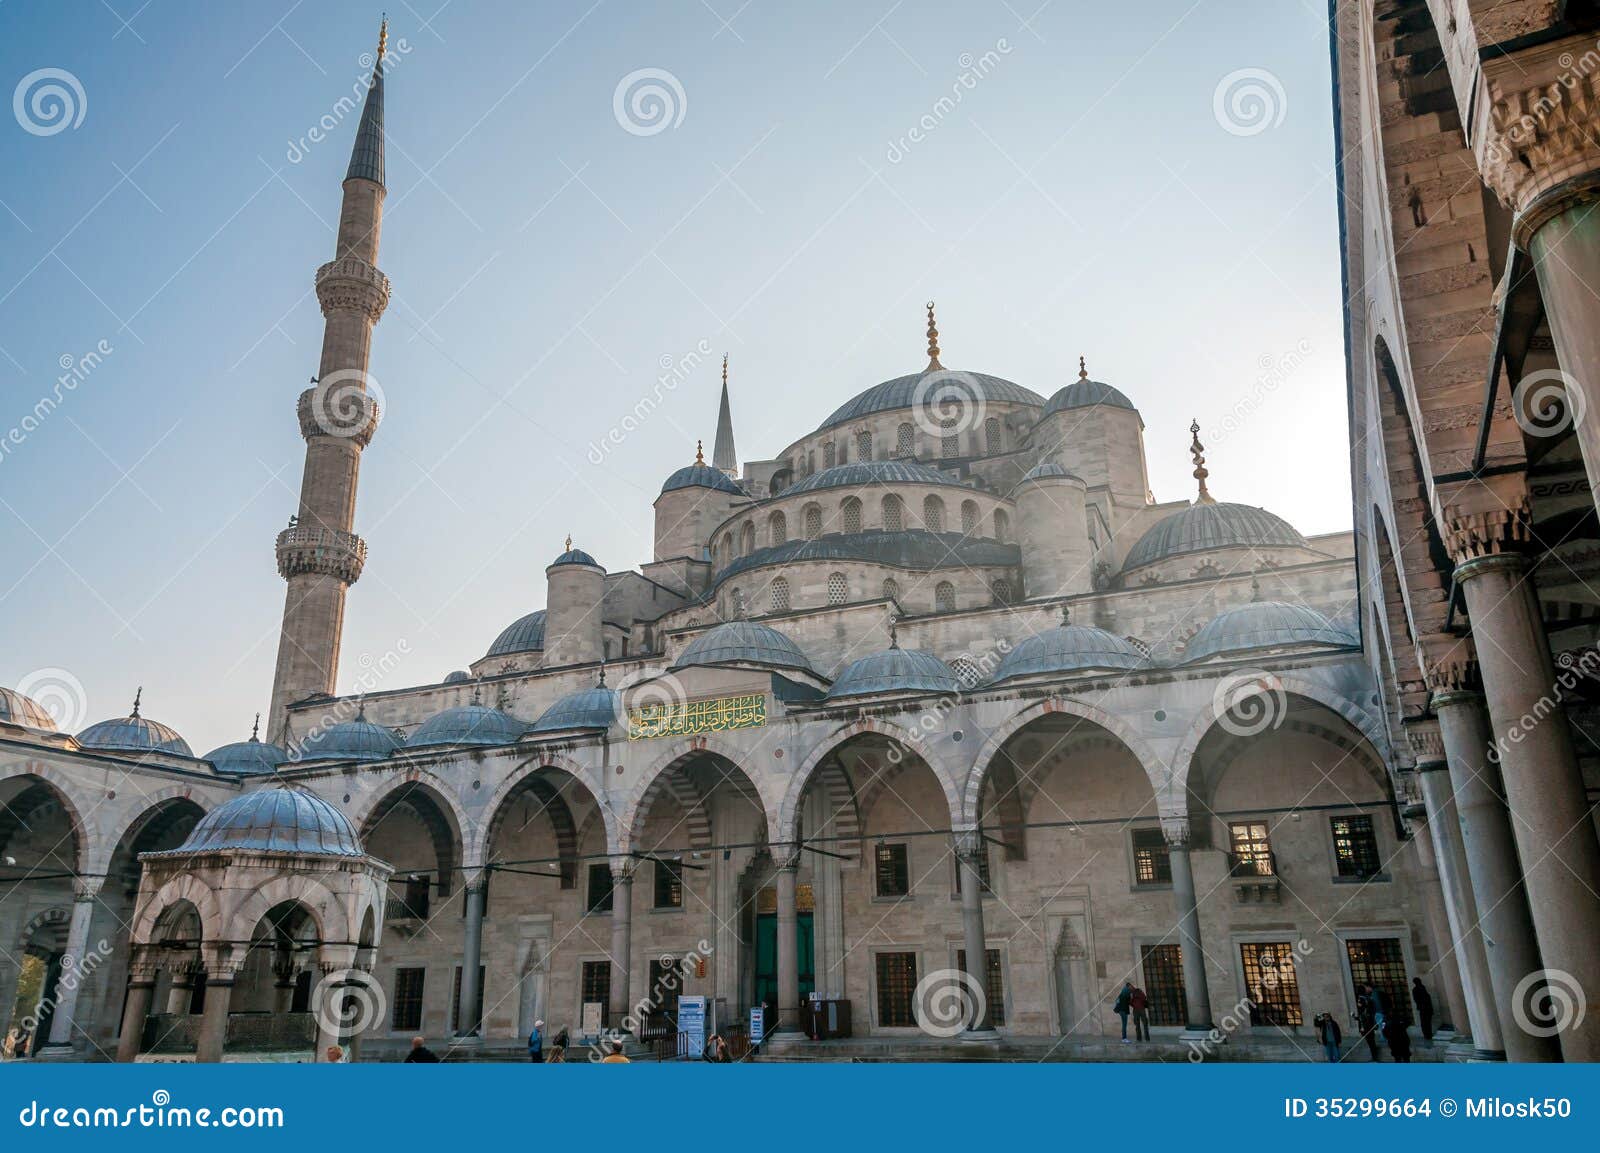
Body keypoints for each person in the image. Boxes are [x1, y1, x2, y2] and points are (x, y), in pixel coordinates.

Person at [1353, 984, 1379, 1061]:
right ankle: (1374, 1057)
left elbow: (1362, 1013)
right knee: (1372, 1041)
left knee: (1370, 1042)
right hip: (1370, 1022)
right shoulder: (1369, 998)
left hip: (1365, 1024)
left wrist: (1356, 1018)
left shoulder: (1361, 999)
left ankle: (1374, 1058)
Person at [1411, 978, 1434, 1044]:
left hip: (1425, 1009)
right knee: (1425, 1023)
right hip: (1424, 1009)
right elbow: (1417, 1000)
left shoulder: (1422, 988)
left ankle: (1428, 1034)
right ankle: (1427, 1035)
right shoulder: (1417, 990)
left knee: (1426, 1023)